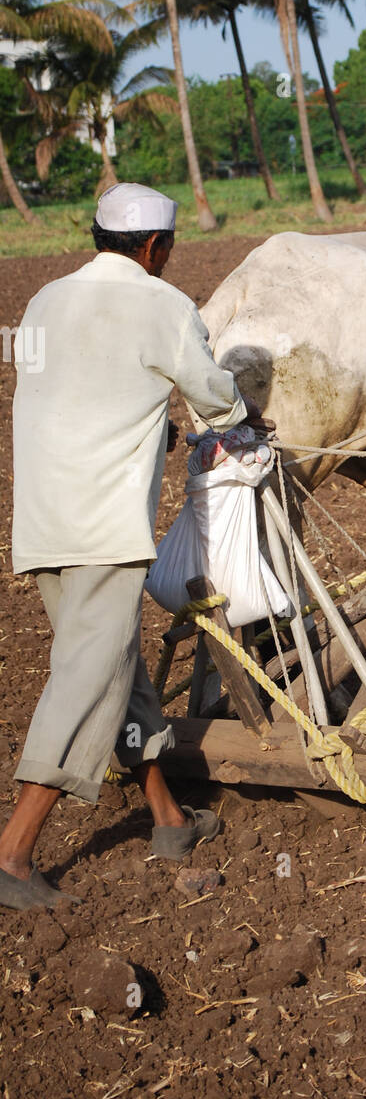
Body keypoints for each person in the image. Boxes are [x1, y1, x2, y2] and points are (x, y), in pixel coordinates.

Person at [0, 183, 259, 910]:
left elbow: (75, 391)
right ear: (155, 248)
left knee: (114, 665)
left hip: (44, 521)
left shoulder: (45, 300)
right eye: (168, 251)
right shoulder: (162, 305)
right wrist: (246, 418)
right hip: (104, 527)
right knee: (87, 677)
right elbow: (214, 395)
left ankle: (170, 820)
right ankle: (14, 852)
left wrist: (152, 427)